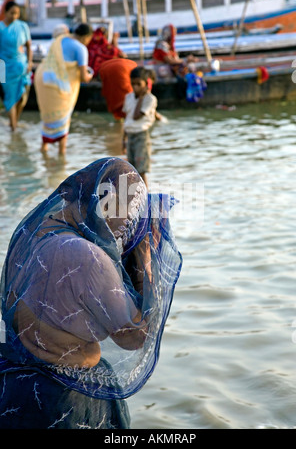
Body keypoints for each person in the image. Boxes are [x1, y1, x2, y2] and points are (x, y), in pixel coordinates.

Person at [0, 157, 182, 429]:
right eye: (129, 215)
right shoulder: (87, 257)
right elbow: (134, 336)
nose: (126, 230)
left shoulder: (32, 231)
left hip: (14, 385)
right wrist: (146, 260)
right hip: (62, 401)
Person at [34, 23, 94, 155]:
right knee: (63, 117)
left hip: (43, 79)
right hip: (60, 86)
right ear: (86, 37)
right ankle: (62, 154)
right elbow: (84, 77)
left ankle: (44, 149)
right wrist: (90, 75)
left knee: (47, 118)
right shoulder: (81, 48)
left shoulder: (59, 40)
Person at [122, 67, 158, 188]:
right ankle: (134, 199)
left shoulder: (149, 99)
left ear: (146, 83)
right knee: (131, 172)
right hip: (130, 136)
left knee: (141, 171)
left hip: (141, 136)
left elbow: (137, 116)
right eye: (133, 84)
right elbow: (127, 119)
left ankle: (145, 197)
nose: (135, 87)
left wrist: (142, 97)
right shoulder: (128, 97)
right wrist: (124, 140)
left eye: (139, 84)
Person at [0, 1, 32, 131]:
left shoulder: (23, 26)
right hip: (3, 67)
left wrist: (30, 62)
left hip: (21, 65)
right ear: (5, 12)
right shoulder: (0, 28)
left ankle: (15, 122)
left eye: (17, 13)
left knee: (23, 96)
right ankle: (14, 129)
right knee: (9, 97)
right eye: (12, 13)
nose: (14, 16)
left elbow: (29, 46)